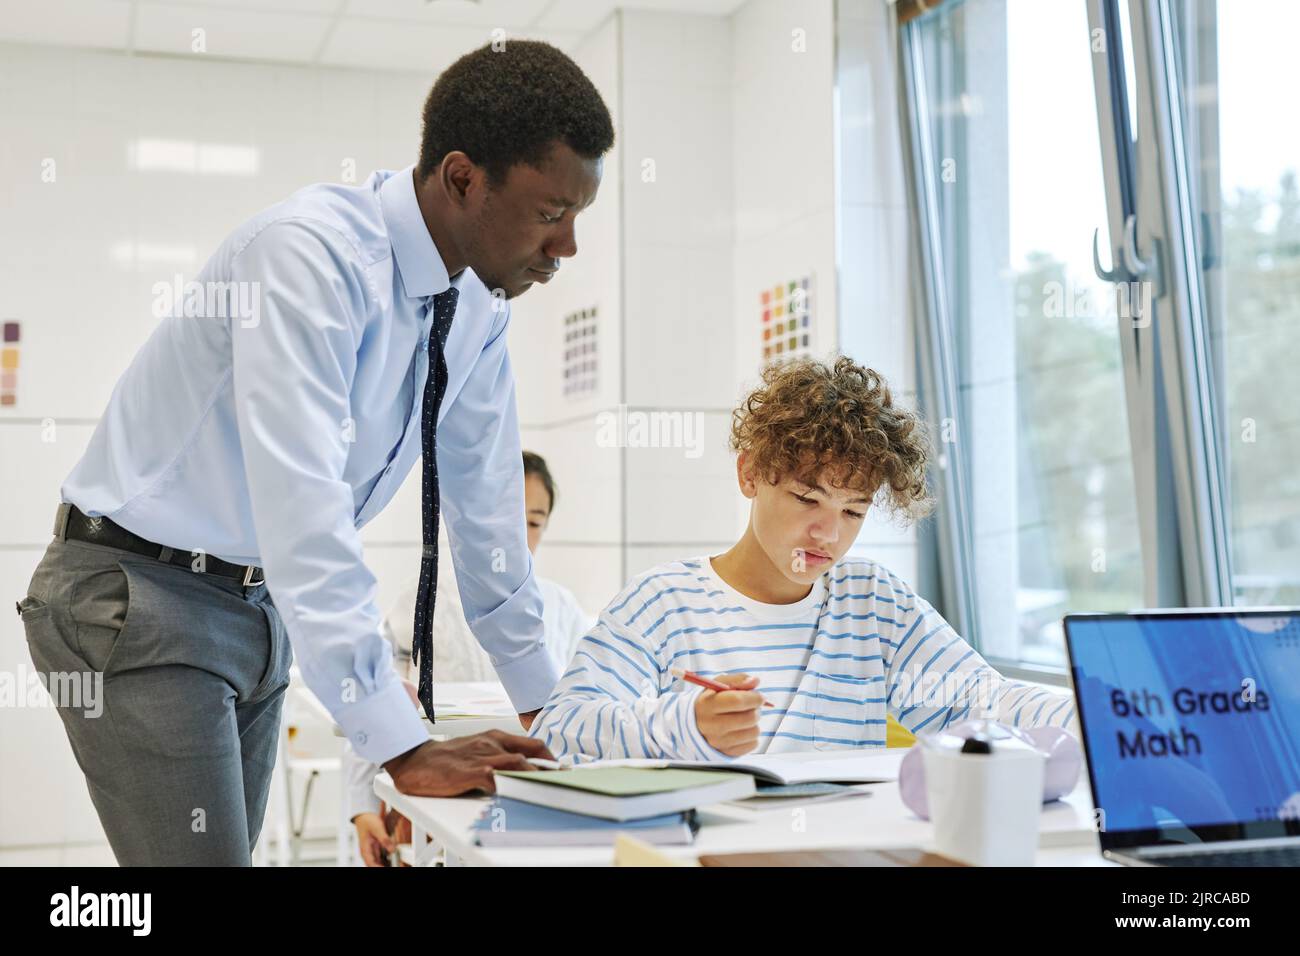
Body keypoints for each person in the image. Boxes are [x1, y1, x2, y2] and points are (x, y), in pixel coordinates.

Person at [16, 41, 614, 865]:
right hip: (140, 594)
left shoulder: (477, 310)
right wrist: (404, 751)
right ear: (464, 177)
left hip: (257, 606)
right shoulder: (309, 257)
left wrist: (555, 717)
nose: (567, 249)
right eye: (552, 214)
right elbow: (303, 505)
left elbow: (489, 524)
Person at [530, 356, 1079, 762]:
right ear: (749, 474)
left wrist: (1098, 717)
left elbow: (984, 703)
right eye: (806, 498)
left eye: (854, 512)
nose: (828, 534)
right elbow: (559, 730)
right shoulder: (664, 601)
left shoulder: (874, 603)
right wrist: (685, 725)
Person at [348, 452, 593, 866]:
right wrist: (363, 807)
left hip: (533, 803)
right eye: (510, 515)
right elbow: (379, 702)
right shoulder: (420, 599)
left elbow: (581, 715)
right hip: (434, 801)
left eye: (533, 522)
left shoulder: (562, 608)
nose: (520, 533)